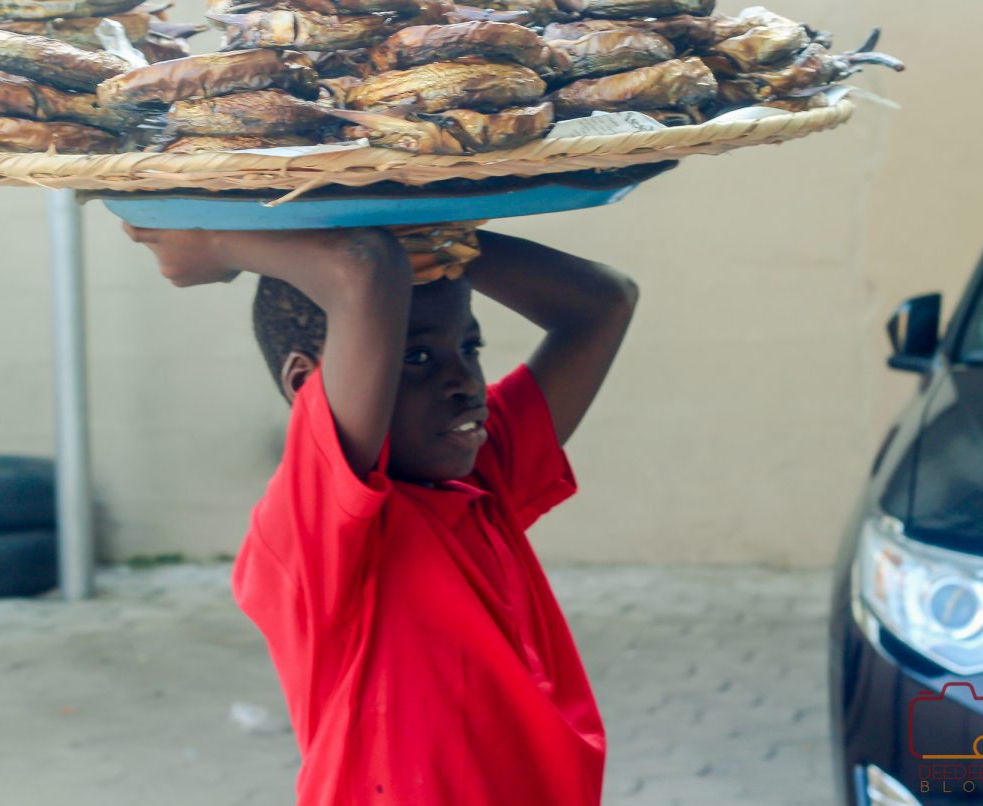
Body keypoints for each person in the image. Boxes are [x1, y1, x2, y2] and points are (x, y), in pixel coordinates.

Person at [123, 219, 640, 805]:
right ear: (306, 384)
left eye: (469, 348)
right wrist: (213, 243)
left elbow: (605, 302)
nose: (464, 382)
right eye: (417, 356)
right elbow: (365, 269)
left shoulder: (482, 476)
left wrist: (448, 243)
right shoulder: (314, 530)